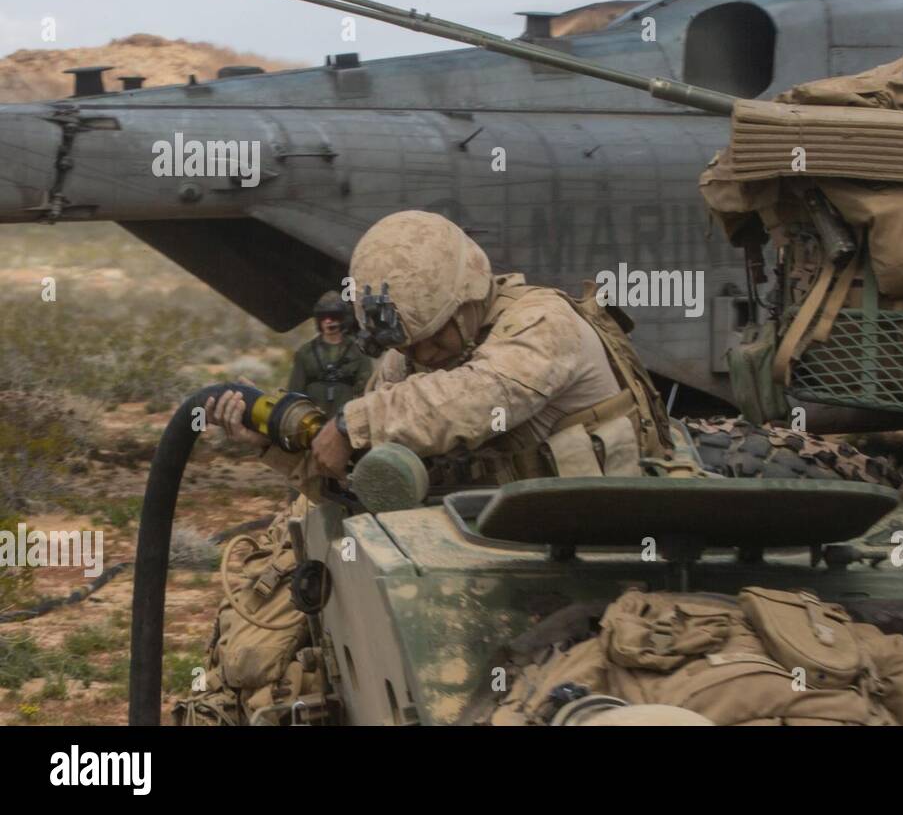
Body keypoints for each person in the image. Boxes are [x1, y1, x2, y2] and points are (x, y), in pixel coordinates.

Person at [177, 211, 675, 724]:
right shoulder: (413, 357)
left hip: (606, 560)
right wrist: (275, 447)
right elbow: (370, 478)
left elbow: (472, 398)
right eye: (408, 345)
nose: (423, 355)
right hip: (493, 562)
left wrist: (354, 423)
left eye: (433, 339)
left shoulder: (544, 324)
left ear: (469, 296)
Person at [287, 290, 372, 418]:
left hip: (346, 418)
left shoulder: (358, 351)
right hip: (311, 418)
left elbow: (367, 389)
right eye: (323, 317)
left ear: (343, 319)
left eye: (334, 317)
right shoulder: (306, 352)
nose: (328, 321)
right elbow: (294, 391)